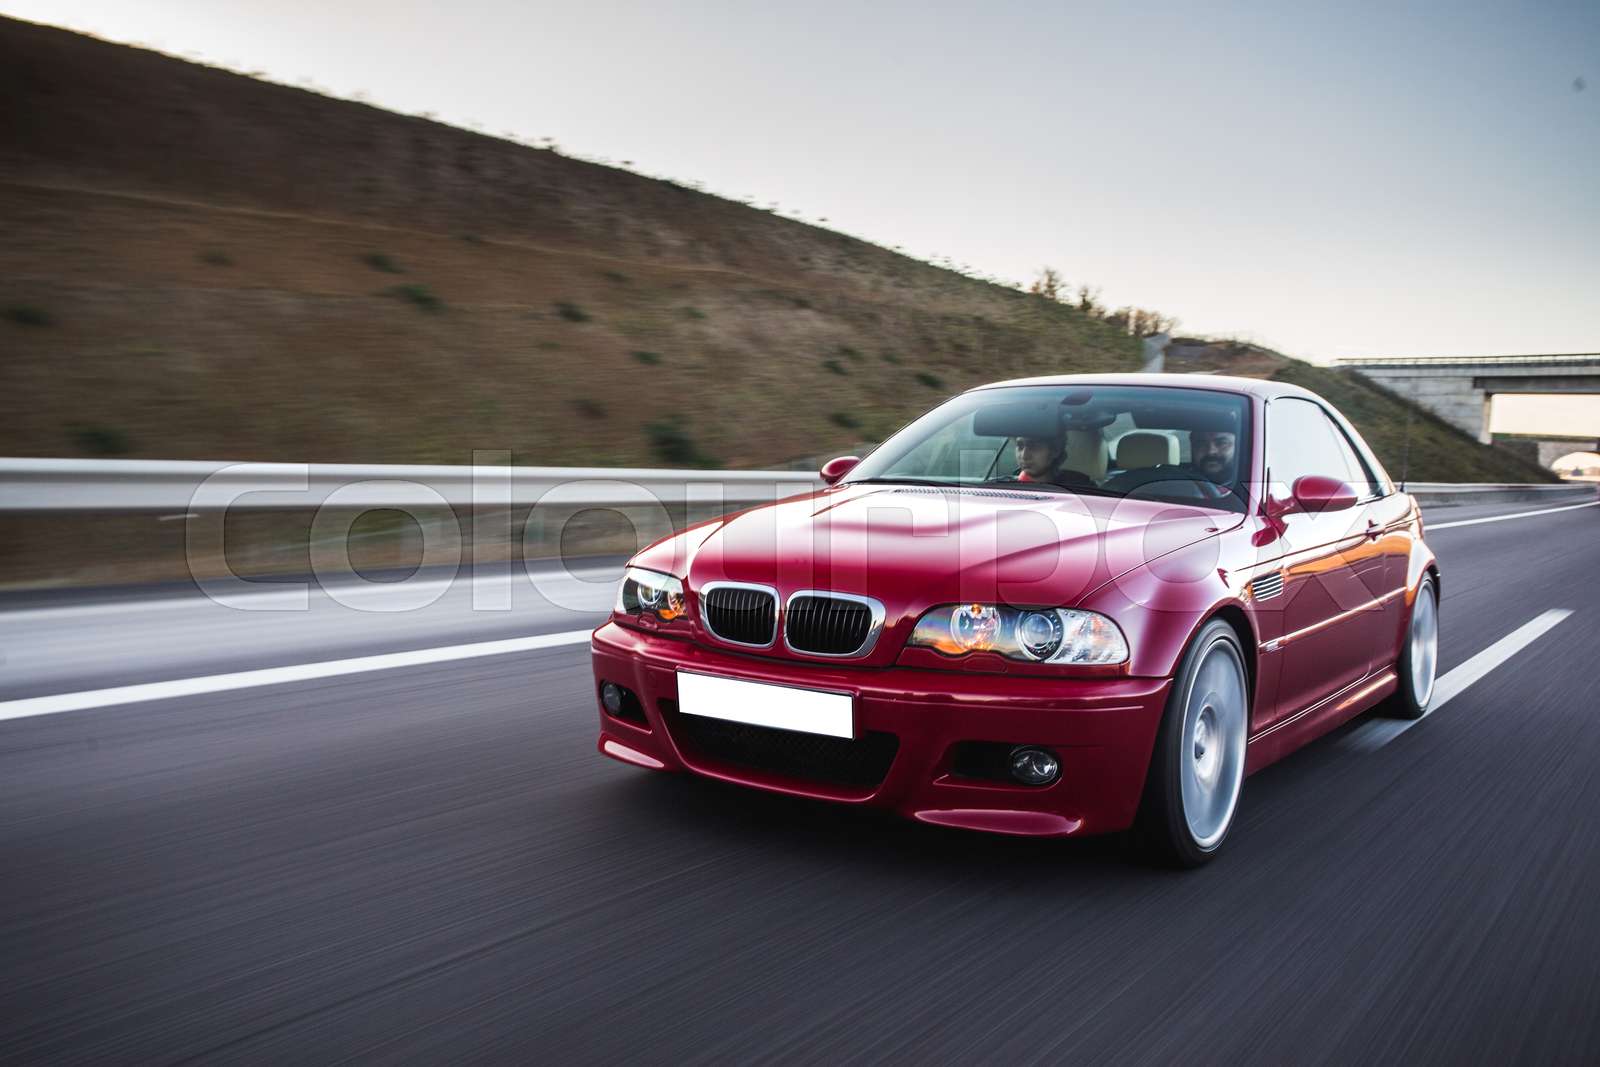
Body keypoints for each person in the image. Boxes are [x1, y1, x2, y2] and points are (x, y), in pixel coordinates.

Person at [1014, 432, 1092, 487]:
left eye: (1034, 447)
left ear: (1055, 451)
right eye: (1020, 446)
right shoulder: (1004, 485)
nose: (1024, 456)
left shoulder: (1082, 489)